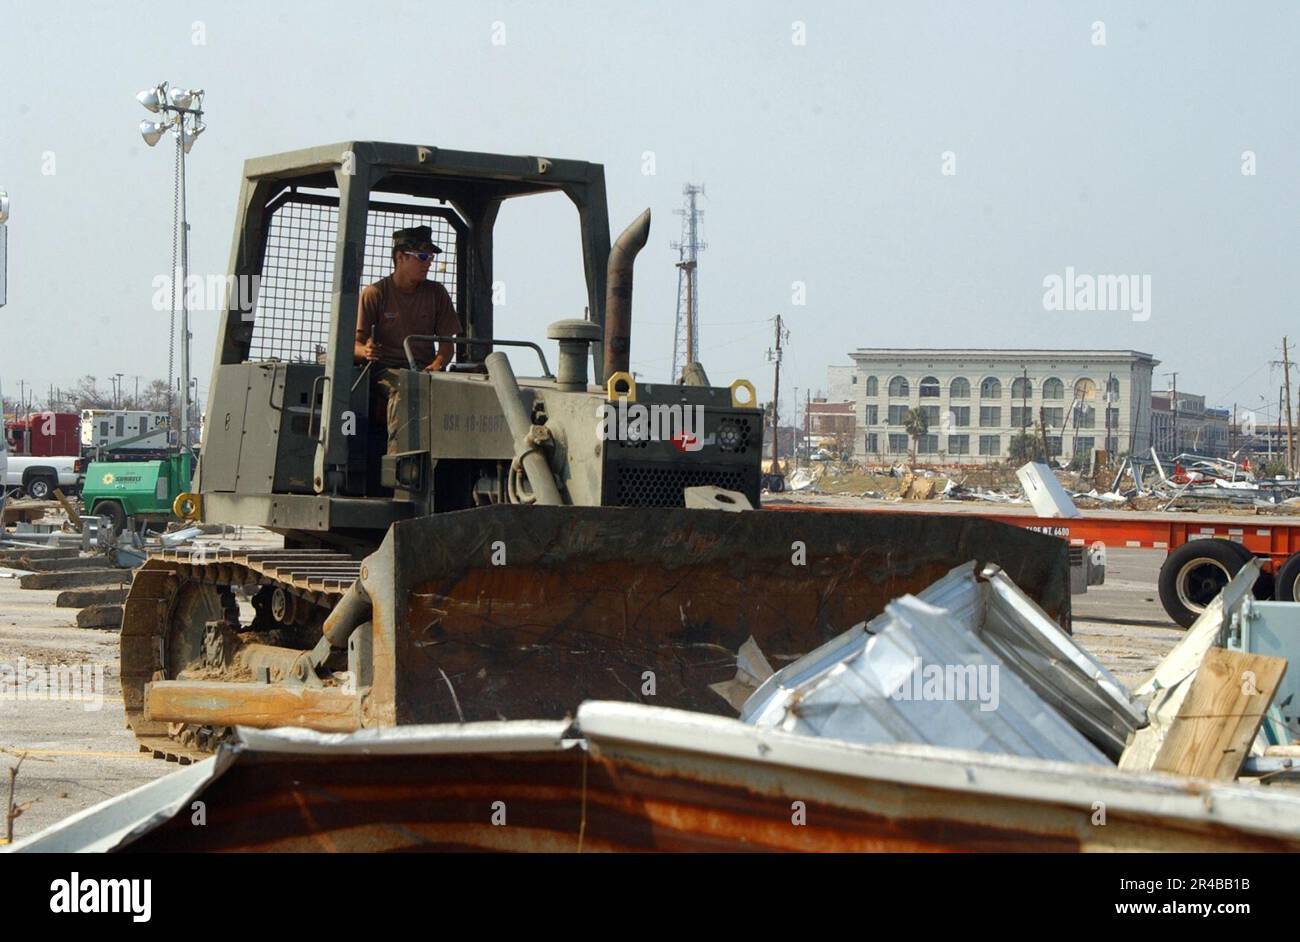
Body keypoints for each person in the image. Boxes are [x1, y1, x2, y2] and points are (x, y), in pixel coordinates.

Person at [354, 225, 461, 371]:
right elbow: (354, 345)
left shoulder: (437, 293)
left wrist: (437, 365)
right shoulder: (375, 293)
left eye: (431, 257)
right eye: (422, 257)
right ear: (400, 257)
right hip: (384, 374)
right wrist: (366, 351)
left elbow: (447, 345)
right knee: (403, 393)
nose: (428, 263)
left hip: (424, 372)